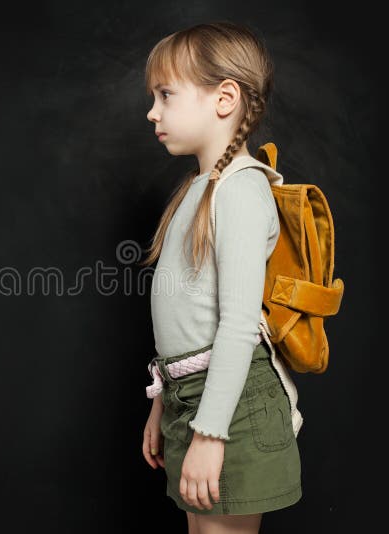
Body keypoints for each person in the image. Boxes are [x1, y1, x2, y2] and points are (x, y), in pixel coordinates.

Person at [139, 22, 302, 533]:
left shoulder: (241, 191)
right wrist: (161, 400)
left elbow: (235, 327)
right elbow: (187, 318)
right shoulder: (201, 186)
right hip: (195, 399)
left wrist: (211, 435)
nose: (153, 111)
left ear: (225, 98)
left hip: (231, 408)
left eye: (166, 94)